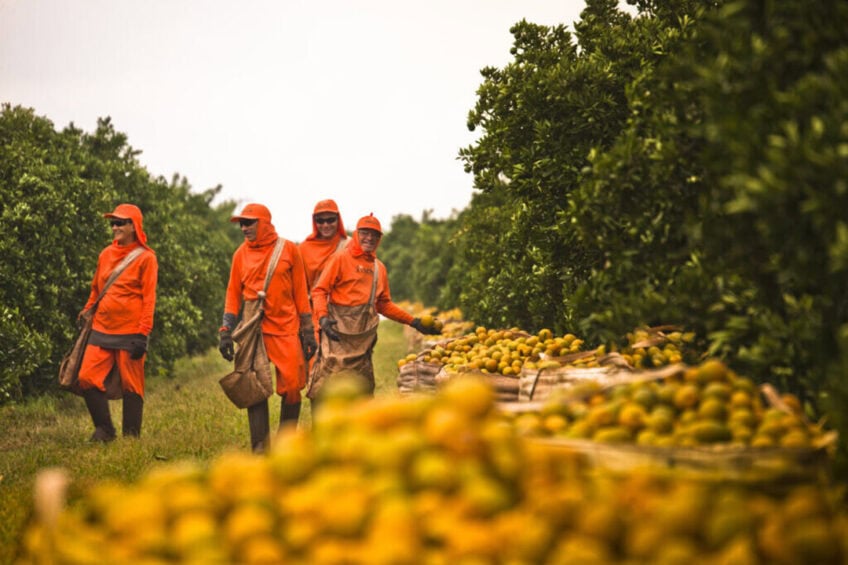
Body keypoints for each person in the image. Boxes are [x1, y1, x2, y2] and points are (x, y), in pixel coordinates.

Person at [307, 213, 440, 404]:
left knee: (362, 389)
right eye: (365, 233)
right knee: (328, 385)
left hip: (363, 340)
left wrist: (414, 322)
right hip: (336, 333)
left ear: (379, 239)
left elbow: (383, 304)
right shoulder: (339, 259)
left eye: (375, 234)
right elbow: (319, 291)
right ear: (357, 234)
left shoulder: (379, 268)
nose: (369, 238)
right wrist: (323, 318)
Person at [218, 203, 317, 453]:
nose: (243, 228)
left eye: (248, 223)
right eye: (241, 223)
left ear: (264, 223)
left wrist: (308, 330)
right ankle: (260, 448)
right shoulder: (240, 254)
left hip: (285, 325)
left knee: (293, 385)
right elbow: (232, 293)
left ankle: (286, 445)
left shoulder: (288, 250)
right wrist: (226, 330)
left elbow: (300, 292)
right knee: (253, 384)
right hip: (253, 327)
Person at [78, 203, 158, 442]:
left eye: (120, 222)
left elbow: (149, 298)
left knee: (132, 385)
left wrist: (143, 334)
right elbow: (96, 289)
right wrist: (86, 312)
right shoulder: (105, 254)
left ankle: (131, 438)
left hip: (131, 332)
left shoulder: (147, 258)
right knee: (86, 377)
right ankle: (105, 429)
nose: (114, 227)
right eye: (113, 223)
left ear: (134, 226)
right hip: (101, 328)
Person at [298, 199, 348, 291]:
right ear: (314, 222)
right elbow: (299, 285)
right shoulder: (303, 249)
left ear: (338, 219)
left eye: (330, 220)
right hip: (314, 303)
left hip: (343, 304)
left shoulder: (349, 245)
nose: (325, 225)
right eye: (320, 221)